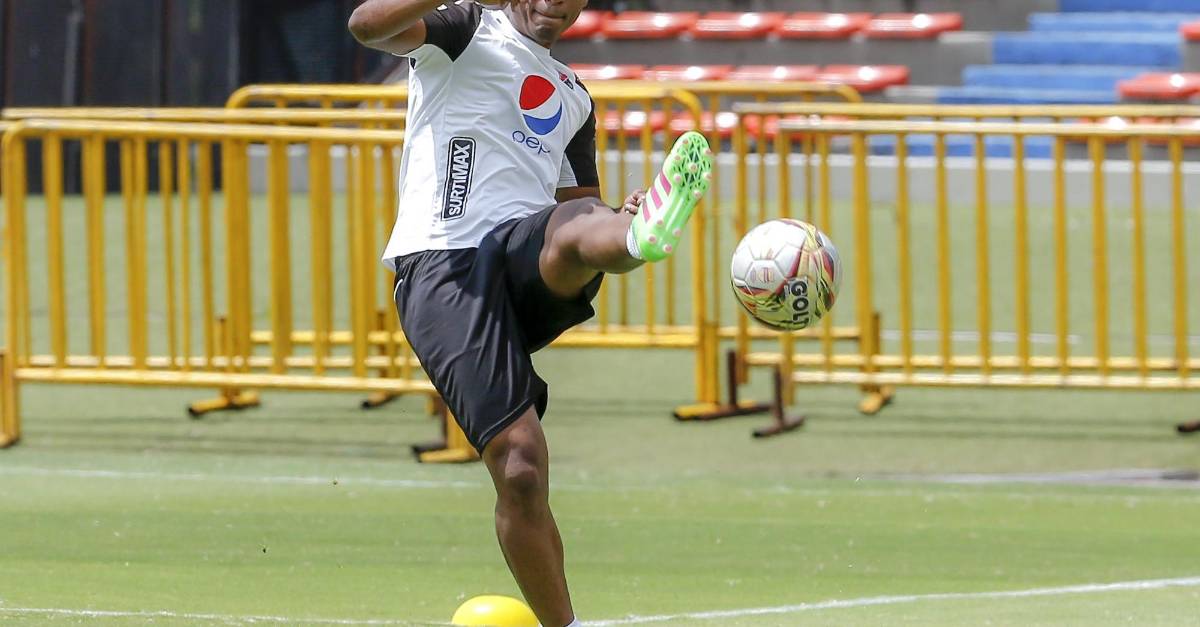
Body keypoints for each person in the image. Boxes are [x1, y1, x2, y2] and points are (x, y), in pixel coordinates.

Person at [348, 1, 712, 624]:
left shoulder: (575, 97)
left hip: (526, 254)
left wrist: (619, 220)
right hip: (445, 268)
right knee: (521, 466)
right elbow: (366, 25)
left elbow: (578, 203)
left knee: (582, 225)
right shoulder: (463, 27)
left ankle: (641, 234)